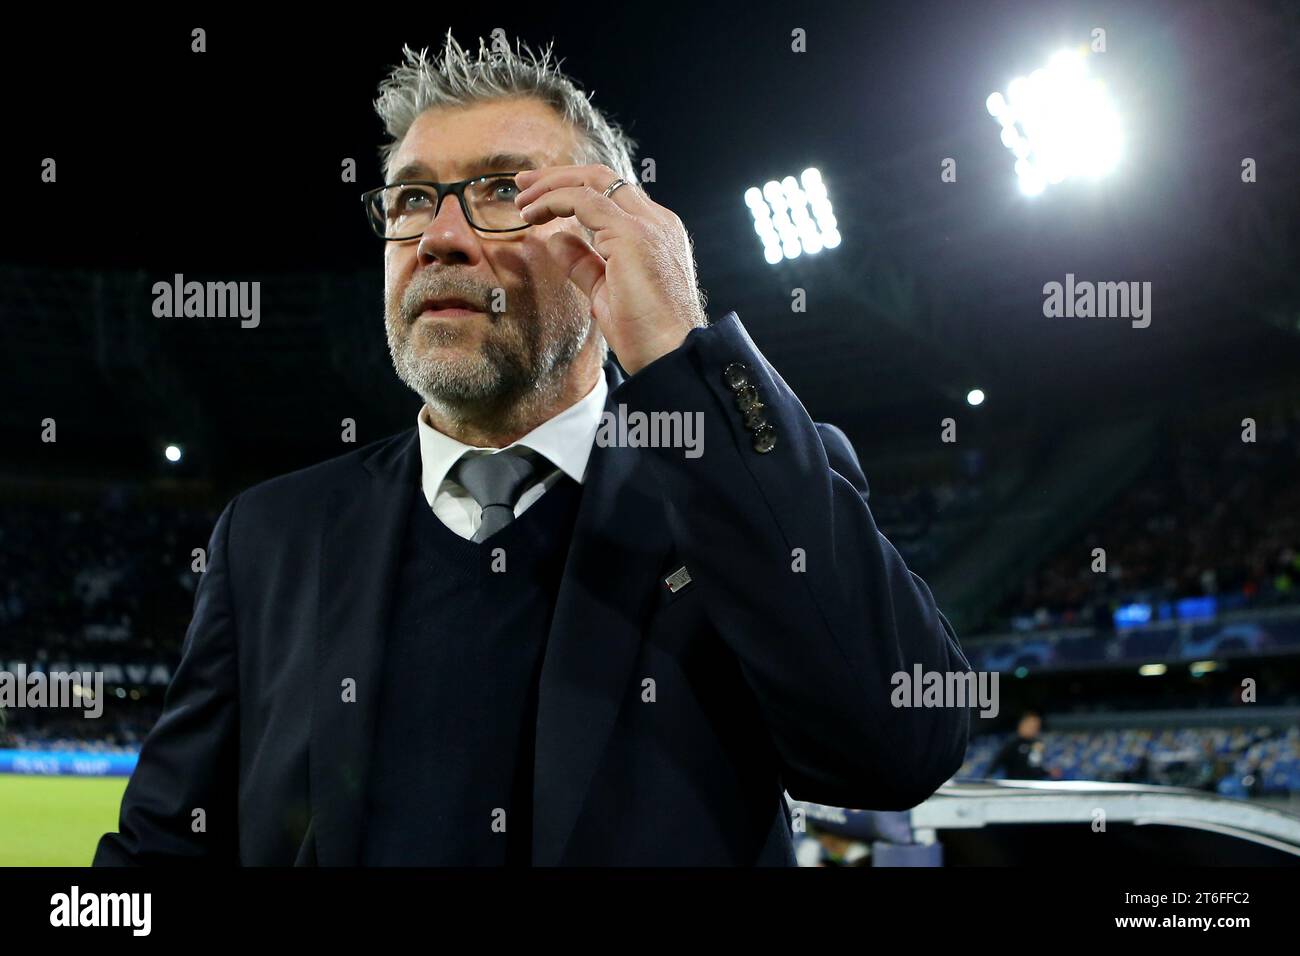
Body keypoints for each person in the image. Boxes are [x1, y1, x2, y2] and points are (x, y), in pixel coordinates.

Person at [94, 32, 970, 866]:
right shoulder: (272, 536)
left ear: (610, 239)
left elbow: (898, 749)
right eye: (410, 198)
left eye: (503, 192)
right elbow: (163, 852)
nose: (439, 236)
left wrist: (680, 344)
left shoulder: (738, 488)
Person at [987, 711, 1058, 781]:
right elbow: (996, 762)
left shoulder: (1038, 744)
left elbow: (1035, 767)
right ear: (1022, 725)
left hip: (1034, 785)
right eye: (1031, 725)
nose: (1033, 729)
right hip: (1015, 785)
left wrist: (1048, 772)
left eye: (1036, 726)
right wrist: (987, 777)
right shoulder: (1012, 743)